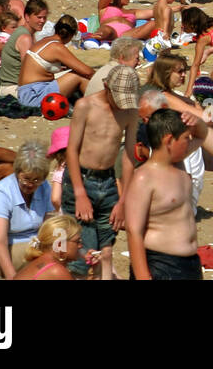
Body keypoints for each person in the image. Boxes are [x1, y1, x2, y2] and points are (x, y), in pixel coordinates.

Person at [63, 46, 142, 279]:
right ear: (107, 86)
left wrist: (124, 201)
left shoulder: (130, 112)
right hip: (81, 179)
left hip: (107, 181)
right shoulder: (86, 106)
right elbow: (72, 150)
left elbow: (128, 157)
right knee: (82, 251)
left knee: (107, 250)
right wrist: (79, 194)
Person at [125, 108, 209, 280]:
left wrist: (196, 122)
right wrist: (142, 276)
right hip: (160, 264)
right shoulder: (144, 178)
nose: (189, 142)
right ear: (169, 140)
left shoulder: (178, 162)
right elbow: (134, 231)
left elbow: (202, 135)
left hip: (190, 264)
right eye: (186, 138)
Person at [0, 140, 54, 279]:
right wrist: (11, 277)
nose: (30, 185)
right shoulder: (1, 194)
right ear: (18, 172)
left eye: (36, 180)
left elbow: (49, 225)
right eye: (26, 179)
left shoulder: (44, 188)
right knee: (54, 255)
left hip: (35, 243)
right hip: (1, 252)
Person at [16, 15, 93, 108]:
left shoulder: (45, 41)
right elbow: (87, 72)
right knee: (80, 76)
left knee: (76, 74)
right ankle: (98, 107)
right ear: (72, 35)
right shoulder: (56, 47)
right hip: (33, 95)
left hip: (25, 92)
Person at [12, 214, 84, 281]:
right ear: (60, 245)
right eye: (77, 241)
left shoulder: (39, 262)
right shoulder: (56, 271)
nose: (81, 246)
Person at [92, 0, 159, 43]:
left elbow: (157, 12)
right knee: (107, 30)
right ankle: (95, 36)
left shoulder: (133, 12)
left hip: (128, 35)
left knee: (153, 23)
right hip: (110, 31)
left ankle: (121, 41)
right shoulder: (104, 6)